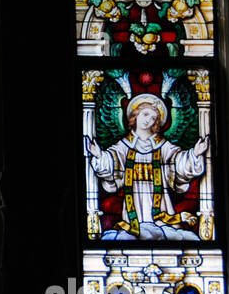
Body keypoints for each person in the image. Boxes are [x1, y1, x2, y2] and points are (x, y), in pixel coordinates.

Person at [85, 94, 209, 240]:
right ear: (135, 115)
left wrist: (195, 153)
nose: (147, 120)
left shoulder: (162, 145)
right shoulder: (124, 145)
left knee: (166, 233)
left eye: (152, 118)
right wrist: (99, 156)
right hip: (133, 201)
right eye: (145, 114)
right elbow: (112, 160)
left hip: (160, 202)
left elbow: (178, 161)